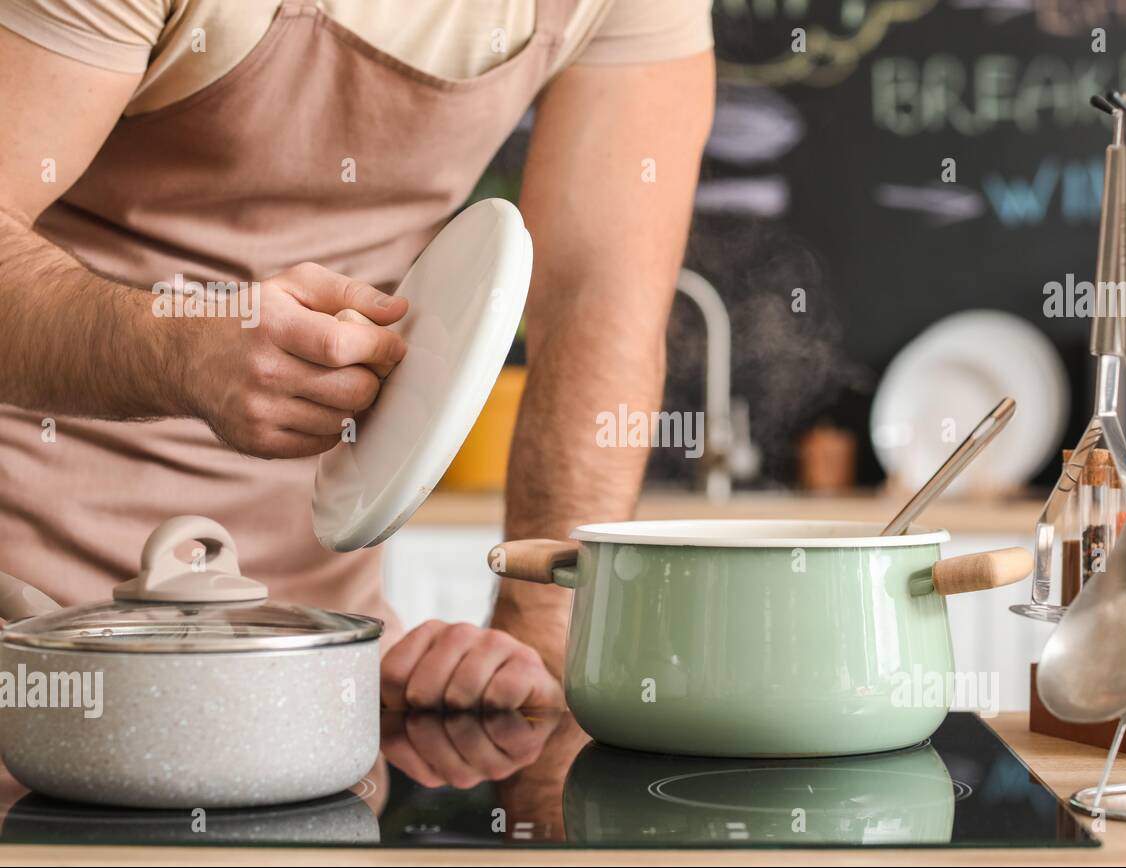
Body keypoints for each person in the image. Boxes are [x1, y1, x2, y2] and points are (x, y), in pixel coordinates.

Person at [0, 0, 714, 710]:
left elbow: (598, 303)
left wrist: (537, 638)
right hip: (27, 607)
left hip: (316, 646)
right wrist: (178, 345)